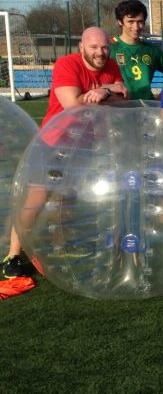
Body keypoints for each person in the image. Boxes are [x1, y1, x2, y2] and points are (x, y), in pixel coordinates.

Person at [3, 27, 128, 278]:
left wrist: (104, 91)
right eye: (93, 47)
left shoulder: (111, 66)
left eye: (104, 47)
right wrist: (109, 91)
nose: (100, 52)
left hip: (86, 145)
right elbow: (72, 104)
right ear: (81, 47)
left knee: (66, 198)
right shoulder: (66, 65)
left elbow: (123, 99)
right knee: (36, 199)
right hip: (54, 142)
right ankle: (13, 256)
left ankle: (60, 245)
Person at [109, 0, 163, 100]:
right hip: (120, 109)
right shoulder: (110, 48)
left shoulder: (153, 50)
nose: (136, 27)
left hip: (147, 109)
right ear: (120, 21)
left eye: (140, 22)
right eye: (131, 22)